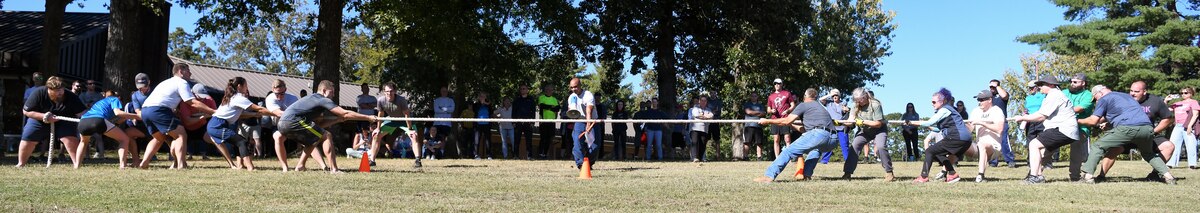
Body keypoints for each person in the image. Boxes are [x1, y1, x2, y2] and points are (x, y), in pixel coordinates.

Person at [1078, 85, 1176, 184]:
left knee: (1097, 146)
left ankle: (1088, 176)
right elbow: (1122, 114)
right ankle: (1168, 176)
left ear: (1100, 93)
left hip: (1127, 128)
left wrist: (1076, 120)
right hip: (1147, 128)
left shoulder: (1104, 98)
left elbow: (1093, 121)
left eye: (1096, 99)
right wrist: (1108, 123)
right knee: (1148, 153)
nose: (1097, 102)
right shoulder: (1126, 97)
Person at [277, 80, 378, 174]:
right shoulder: (322, 99)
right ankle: (334, 169)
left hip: (282, 123)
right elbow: (345, 113)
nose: (333, 95)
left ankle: (300, 166)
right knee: (327, 135)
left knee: (313, 140)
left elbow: (318, 126)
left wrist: (337, 120)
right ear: (324, 91)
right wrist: (368, 117)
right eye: (332, 92)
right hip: (293, 121)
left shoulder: (311, 99)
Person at [136, 64, 216, 169]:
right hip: (159, 110)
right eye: (188, 70)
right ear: (180, 71)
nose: (190, 73)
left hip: (145, 111)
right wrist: (213, 111)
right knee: (181, 135)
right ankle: (181, 165)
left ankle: (144, 163)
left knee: (159, 138)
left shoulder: (165, 82)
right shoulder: (182, 82)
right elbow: (191, 102)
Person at [753, 88, 836, 183]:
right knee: (815, 150)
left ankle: (769, 176)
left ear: (805, 96)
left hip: (818, 135)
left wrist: (767, 121)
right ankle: (806, 175)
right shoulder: (820, 107)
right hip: (833, 139)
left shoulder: (804, 105)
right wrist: (792, 125)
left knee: (788, 151)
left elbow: (787, 121)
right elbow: (807, 131)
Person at [1009, 76, 1080, 183]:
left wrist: (1023, 118)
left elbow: (1041, 116)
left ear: (1051, 85)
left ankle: (1034, 177)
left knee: (1034, 144)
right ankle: (1038, 175)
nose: (1039, 87)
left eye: (1042, 85)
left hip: (1063, 129)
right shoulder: (1054, 95)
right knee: (1041, 152)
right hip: (1067, 130)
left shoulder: (1054, 95)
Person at [17, 76, 86, 167]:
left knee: (70, 139)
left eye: (62, 89)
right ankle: (21, 164)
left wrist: (88, 121)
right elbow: (26, 111)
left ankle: (78, 164)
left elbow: (82, 113)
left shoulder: (71, 96)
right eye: (57, 90)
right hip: (40, 119)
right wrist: (44, 116)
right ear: (49, 89)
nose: (60, 92)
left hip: (64, 120)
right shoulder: (39, 93)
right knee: (28, 136)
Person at [906, 88, 971, 183]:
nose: (932, 104)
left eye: (934, 102)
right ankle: (952, 174)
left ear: (943, 101)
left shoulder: (944, 109)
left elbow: (929, 122)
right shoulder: (949, 111)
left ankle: (923, 177)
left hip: (956, 137)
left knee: (929, 151)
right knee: (938, 153)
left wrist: (911, 122)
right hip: (966, 140)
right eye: (931, 102)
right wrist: (929, 127)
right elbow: (938, 129)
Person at [207, 77, 271, 171]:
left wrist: (254, 114)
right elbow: (258, 108)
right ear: (239, 86)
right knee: (241, 141)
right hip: (217, 125)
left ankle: (241, 165)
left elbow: (241, 114)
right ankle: (250, 167)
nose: (247, 88)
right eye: (246, 85)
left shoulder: (231, 97)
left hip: (216, 124)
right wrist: (276, 113)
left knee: (238, 142)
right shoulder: (238, 98)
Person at [265, 79, 326, 172]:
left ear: (285, 89)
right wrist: (293, 115)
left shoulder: (293, 98)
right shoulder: (270, 98)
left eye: (282, 94)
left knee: (310, 140)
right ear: (273, 90)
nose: (279, 97)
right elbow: (278, 113)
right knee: (278, 137)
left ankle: (324, 166)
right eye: (277, 94)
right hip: (278, 126)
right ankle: (285, 167)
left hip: (295, 124)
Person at [75, 90, 140, 169]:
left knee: (83, 142)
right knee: (124, 139)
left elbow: (119, 120)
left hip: (83, 121)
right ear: (119, 97)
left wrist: (120, 121)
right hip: (98, 120)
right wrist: (137, 116)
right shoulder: (115, 99)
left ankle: (76, 166)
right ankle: (122, 166)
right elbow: (118, 113)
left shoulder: (100, 102)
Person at [841, 88, 893, 181]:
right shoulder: (855, 105)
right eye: (856, 101)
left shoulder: (875, 104)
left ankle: (889, 172)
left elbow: (878, 124)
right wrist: (841, 123)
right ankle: (847, 173)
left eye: (860, 100)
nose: (858, 102)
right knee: (854, 146)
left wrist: (863, 122)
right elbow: (851, 121)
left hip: (879, 130)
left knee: (881, 147)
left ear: (865, 97)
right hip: (865, 131)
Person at [369, 82, 422, 168]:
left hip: (405, 120)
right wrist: (378, 128)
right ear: (384, 92)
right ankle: (372, 160)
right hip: (392, 119)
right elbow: (380, 115)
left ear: (395, 91)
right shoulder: (381, 100)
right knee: (376, 135)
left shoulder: (401, 100)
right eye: (387, 91)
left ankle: (418, 160)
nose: (389, 93)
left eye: (391, 91)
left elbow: (407, 115)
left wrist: (410, 129)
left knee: (414, 136)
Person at [965, 90, 1004, 182]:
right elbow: (970, 128)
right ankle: (948, 172)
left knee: (983, 144)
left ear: (990, 100)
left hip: (994, 148)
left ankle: (980, 175)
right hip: (978, 147)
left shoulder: (997, 111)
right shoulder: (975, 111)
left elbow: (1000, 129)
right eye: (978, 100)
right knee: (957, 142)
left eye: (982, 100)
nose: (979, 102)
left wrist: (982, 123)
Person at [1062, 74, 1094, 179]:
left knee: (1076, 145)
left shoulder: (1088, 95)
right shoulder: (1064, 92)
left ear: (1083, 83)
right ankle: (1036, 172)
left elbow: (1079, 109)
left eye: (1075, 82)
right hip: (1062, 125)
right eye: (1071, 81)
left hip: (1080, 127)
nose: (1072, 84)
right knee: (1048, 143)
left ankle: (1074, 175)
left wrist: (1062, 110)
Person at [180, 83, 220, 165]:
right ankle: (179, 160)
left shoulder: (209, 99)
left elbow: (216, 113)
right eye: (200, 96)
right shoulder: (185, 102)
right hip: (186, 128)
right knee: (181, 142)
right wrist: (203, 116)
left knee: (214, 138)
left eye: (204, 96)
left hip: (202, 127)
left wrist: (202, 116)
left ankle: (226, 155)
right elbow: (188, 121)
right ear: (193, 94)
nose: (202, 98)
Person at [568, 78, 599, 169]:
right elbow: (571, 112)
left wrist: (588, 124)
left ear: (580, 85)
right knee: (577, 142)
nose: (573, 89)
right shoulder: (571, 97)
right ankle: (581, 164)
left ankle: (589, 163)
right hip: (579, 121)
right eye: (571, 87)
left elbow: (589, 110)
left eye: (575, 87)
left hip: (592, 121)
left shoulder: (588, 95)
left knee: (594, 145)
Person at [124, 73, 152, 161]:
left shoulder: (156, 92)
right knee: (127, 133)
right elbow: (137, 110)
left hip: (157, 122)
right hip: (144, 122)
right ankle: (136, 159)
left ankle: (173, 157)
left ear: (149, 82)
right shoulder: (135, 95)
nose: (142, 89)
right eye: (139, 87)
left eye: (144, 86)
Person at [1168, 87, 1198, 169]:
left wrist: (1190, 126)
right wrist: (1166, 101)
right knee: (1173, 144)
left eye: (1186, 93)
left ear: (1191, 94)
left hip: (1187, 125)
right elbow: (1166, 110)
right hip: (1177, 126)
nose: (1183, 94)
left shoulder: (1193, 102)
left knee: (1191, 145)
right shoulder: (1177, 103)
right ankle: (1171, 163)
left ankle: (1192, 164)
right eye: (1182, 93)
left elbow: (1195, 115)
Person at [767, 78, 798, 158]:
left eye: (779, 83)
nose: (777, 85)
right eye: (775, 83)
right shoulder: (771, 96)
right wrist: (771, 111)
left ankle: (788, 157)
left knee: (787, 138)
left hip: (785, 119)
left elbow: (793, 105)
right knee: (776, 139)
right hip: (775, 119)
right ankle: (777, 158)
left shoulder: (787, 93)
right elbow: (768, 109)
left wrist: (788, 111)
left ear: (782, 84)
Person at [1022, 80, 1050, 168]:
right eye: (1029, 88)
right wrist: (1024, 113)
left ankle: (1046, 162)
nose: (1030, 90)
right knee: (1030, 142)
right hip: (1030, 122)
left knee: (1044, 141)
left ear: (1036, 88)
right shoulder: (1028, 98)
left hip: (1041, 120)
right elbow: (1026, 109)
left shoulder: (1043, 96)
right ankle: (1030, 162)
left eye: (1032, 88)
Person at [988, 79, 1015, 168]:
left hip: (1002, 122)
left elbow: (1004, 96)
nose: (992, 88)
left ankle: (1010, 160)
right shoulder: (989, 97)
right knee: (992, 142)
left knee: (1004, 142)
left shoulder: (1003, 95)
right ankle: (993, 161)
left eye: (993, 87)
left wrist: (997, 86)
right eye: (990, 87)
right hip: (991, 123)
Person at [819, 89, 848, 164]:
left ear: (839, 96)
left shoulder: (843, 103)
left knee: (844, 144)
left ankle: (848, 161)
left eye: (836, 95)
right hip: (831, 127)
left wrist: (846, 110)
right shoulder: (829, 103)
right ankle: (824, 161)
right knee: (828, 144)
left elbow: (845, 112)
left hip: (841, 127)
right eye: (833, 96)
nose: (835, 97)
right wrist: (830, 94)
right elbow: (820, 99)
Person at [354, 83, 378, 160]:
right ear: (362, 89)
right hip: (361, 118)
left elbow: (375, 105)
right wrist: (369, 105)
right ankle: (360, 149)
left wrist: (367, 105)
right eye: (364, 88)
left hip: (371, 119)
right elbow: (362, 105)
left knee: (372, 133)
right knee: (360, 133)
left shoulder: (373, 98)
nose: (366, 89)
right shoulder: (359, 97)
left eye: (367, 88)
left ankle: (371, 149)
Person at [512, 85, 537, 159]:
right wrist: (513, 122)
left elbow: (533, 111)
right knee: (517, 140)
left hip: (528, 123)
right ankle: (515, 156)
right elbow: (514, 111)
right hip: (518, 122)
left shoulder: (531, 100)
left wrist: (532, 122)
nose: (522, 90)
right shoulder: (516, 100)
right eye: (521, 89)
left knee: (529, 140)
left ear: (527, 90)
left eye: (524, 89)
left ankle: (529, 156)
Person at [536, 85, 560, 159]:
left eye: (551, 90)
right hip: (543, 121)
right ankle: (540, 153)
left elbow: (557, 109)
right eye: (548, 90)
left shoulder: (554, 99)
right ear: (545, 90)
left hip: (552, 121)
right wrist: (551, 107)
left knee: (549, 139)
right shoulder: (541, 97)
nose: (549, 91)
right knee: (543, 138)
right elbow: (542, 106)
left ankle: (545, 154)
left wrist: (549, 107)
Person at [689, 95, 715, 162]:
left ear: (706, 102)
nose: (703, 102)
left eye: (705, 100)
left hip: (704, 129)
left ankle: (700, 158)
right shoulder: (695, 108)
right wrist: (706, 117)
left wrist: (702, 116)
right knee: (694, 142)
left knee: (703, 144)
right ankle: (694, 158)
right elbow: (696, 115)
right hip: (695, 128)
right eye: (702, 100)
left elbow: (711, 116)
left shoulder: (708, 109)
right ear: (699, 101)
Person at [432, 86, 455, 157]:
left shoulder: (451, 101)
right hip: (437, 122)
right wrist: (447, 110)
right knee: (436, 138)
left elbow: (452, 110)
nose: (444, 92)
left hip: (446, 123)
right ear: (440, 92)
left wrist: (442, 108)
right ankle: (434, 153)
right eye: (443, 91)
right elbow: (436, 110)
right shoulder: (437, 100)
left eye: (445, 91)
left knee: (443, 138)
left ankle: (441, 152)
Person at [743, 93, 767, 161]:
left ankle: (759, 157)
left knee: (759, 143)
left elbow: (763, 113)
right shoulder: (747, 104)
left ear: (757, 97)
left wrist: (753, 112)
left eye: (755, 96)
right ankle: (745, 157)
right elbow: (748, 112)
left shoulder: (760, 105)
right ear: (750, 97)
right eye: (752, 96)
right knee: (747, 142)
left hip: (758, 125)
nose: (754, 97)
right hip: (748, 125)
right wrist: (758, 112)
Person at [473, 92, 494, 159]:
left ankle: (489, 155)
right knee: (477, 140)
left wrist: (486, 104)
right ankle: (476, 155)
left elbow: (491, 111)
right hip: (478, 124)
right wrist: (481, 103)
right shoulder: (476, 104)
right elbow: (475, 110)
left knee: (488, 140)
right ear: (479, 97)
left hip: (487, 124)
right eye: (481, 96)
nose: (482, 98)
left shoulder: (488, 104)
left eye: (484, 96)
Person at [707, 93, 724, 161]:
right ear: (710, 93)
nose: (713, 94)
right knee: (705, 139)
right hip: (707, 122)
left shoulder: (719, 101)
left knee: (717, 139)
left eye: (714, 93)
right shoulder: (707, 100)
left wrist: (710, 112)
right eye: (711, 93)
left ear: (716, 94)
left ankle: (718, 157)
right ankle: (703, 156)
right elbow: (706, 111)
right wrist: (711, 112)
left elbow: (717, 111)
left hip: (715, 122)